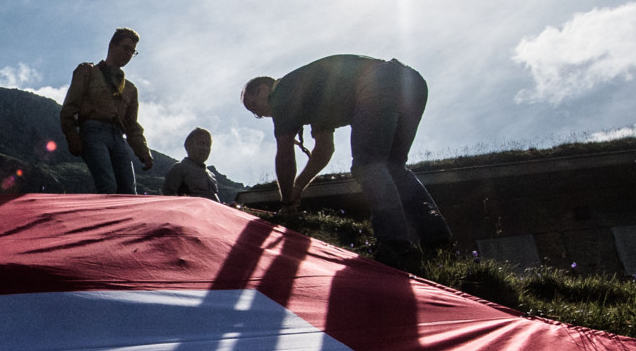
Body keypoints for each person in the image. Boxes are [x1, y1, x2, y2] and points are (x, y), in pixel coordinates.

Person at [240, 54, 450, 264]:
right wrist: (298, 187)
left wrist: (286, 202)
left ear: (264, 89)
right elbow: (324, 150)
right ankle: (438, 240)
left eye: (254, 107)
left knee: (367, 163)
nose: (259, 114)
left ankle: (394, 244)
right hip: (411, 83)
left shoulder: (281, 95)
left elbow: (285, 157)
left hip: (378, 82)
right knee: (393, 166)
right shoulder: (307, 96)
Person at [60, 28, 153, 194]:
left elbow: (132, 125)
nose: (128, 54)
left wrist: (143, 151)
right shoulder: (87, 71)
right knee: (108, 186)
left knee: (129, 191)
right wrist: (72, 137)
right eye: (125, 48)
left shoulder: (130, 89)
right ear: (112, 46)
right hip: (93, 132)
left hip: (118, 137)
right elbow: (70, 107)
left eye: (132, 51)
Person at [163, 128, 221, 200]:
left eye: (208, 145)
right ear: (188, 146)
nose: (205, 148)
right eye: (201, 144)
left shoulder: (212, 175)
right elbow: (168, 195)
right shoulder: (179, 168)